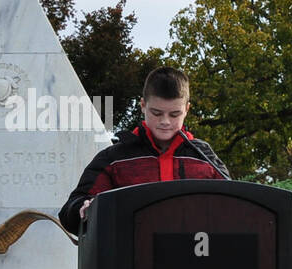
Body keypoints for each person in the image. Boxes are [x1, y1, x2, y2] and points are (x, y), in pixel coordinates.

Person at [58, 67, 230, 234]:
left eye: (174, 114)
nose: (165, 121)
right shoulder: (115, 158)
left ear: (187, 109)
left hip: (197, 257)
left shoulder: (204, 157)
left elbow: (235, 204)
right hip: (132, 259)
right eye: (156, 113)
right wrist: (84, 207)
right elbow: (70, 211)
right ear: (142, 105)